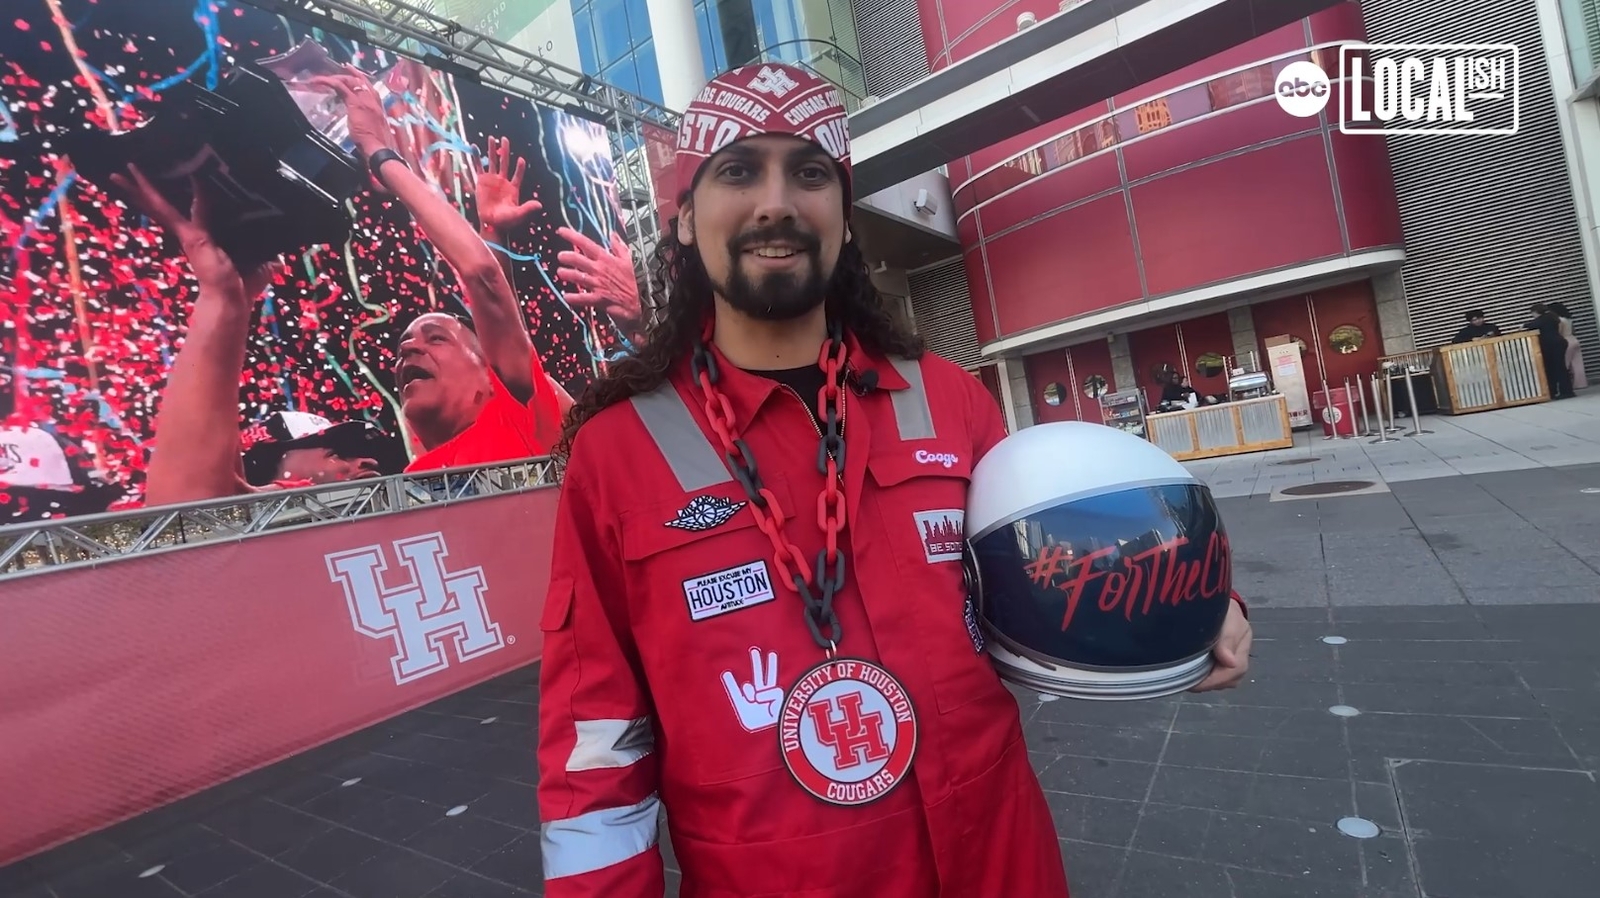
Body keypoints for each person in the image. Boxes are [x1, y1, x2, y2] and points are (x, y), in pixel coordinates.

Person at [534, 63, 1253, 898]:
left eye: (809, 173)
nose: (776, 203)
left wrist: (1198, 598)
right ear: (685, 219)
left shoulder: (946, 399)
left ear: (844, 218)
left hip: (1000, 864)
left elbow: (1065, 553)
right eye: (738, 171)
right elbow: (595, 738)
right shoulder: (616, 454)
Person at [310, 70, 571, 470]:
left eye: (437, 339)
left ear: (490, 378)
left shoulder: (522, 418)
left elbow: (484, 279)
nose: (409, 350)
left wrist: (379, 152)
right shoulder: (413, 481)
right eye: (401, 350)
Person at [1525, 303, 1575, 399]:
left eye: (1533, 313)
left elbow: (1533, 324)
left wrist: (1523, 325)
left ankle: (1564, 391)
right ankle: (1564, 390)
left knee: (1557, 368)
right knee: (1559, 367)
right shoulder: (1551, 316)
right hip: (1558, 343)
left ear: (1536, 312)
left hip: (1553, 345)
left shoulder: (1545, 318)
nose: (1533, 316)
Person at [1548, 302, 1588, 391]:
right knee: (1578, 364)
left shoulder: (1559, 320)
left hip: (1566, 341)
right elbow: (1574, 331)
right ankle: (1581, 384)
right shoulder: (1569, 319)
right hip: (1574, 340)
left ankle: (1564, 385)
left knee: (1563, 364)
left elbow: (1559, 332)